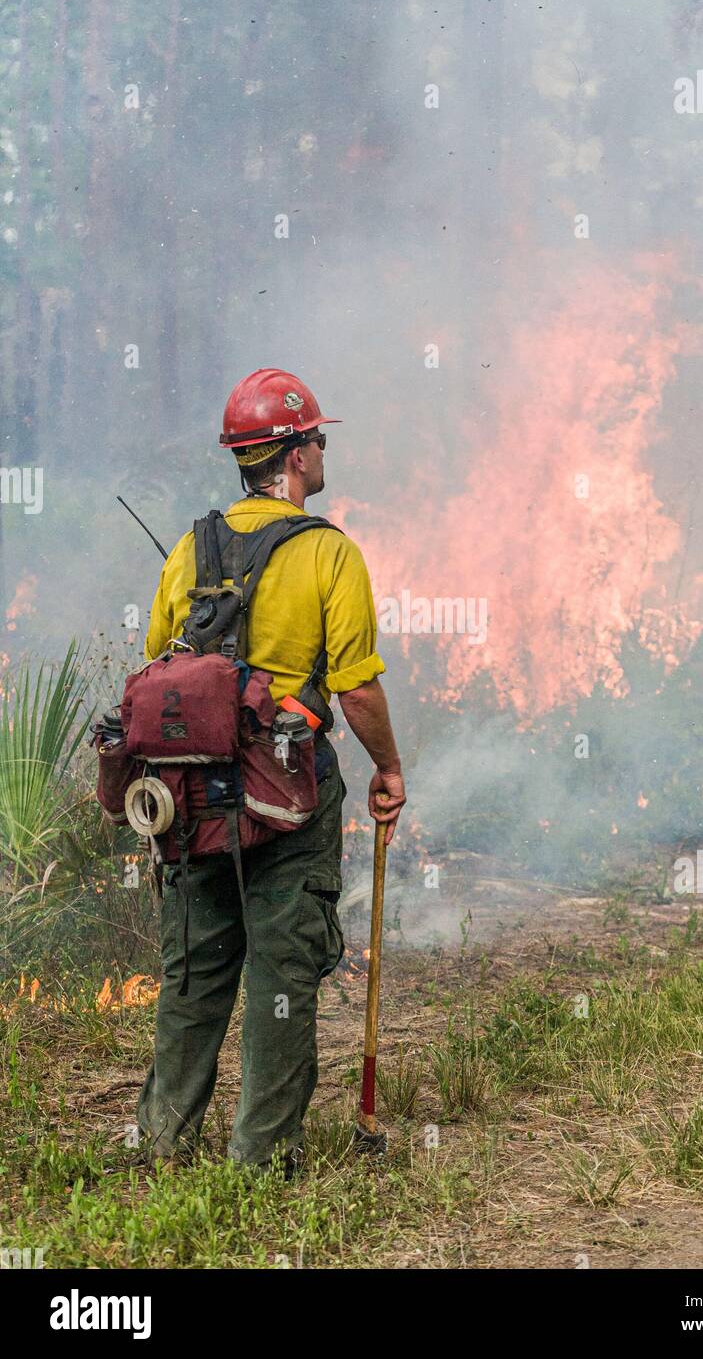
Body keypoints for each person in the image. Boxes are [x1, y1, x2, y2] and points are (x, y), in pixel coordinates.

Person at [137, 367, 405, 1174]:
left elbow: (158, 664)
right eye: (318, 438)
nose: (324, 450)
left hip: (191, 793)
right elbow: (355, 687)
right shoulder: (329, 553)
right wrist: (389, 768)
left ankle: (160, 1143)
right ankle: (259, 1163)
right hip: (288, 791)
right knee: (282, 970)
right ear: (293, 456)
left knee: (196, 969)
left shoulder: (191, 548)